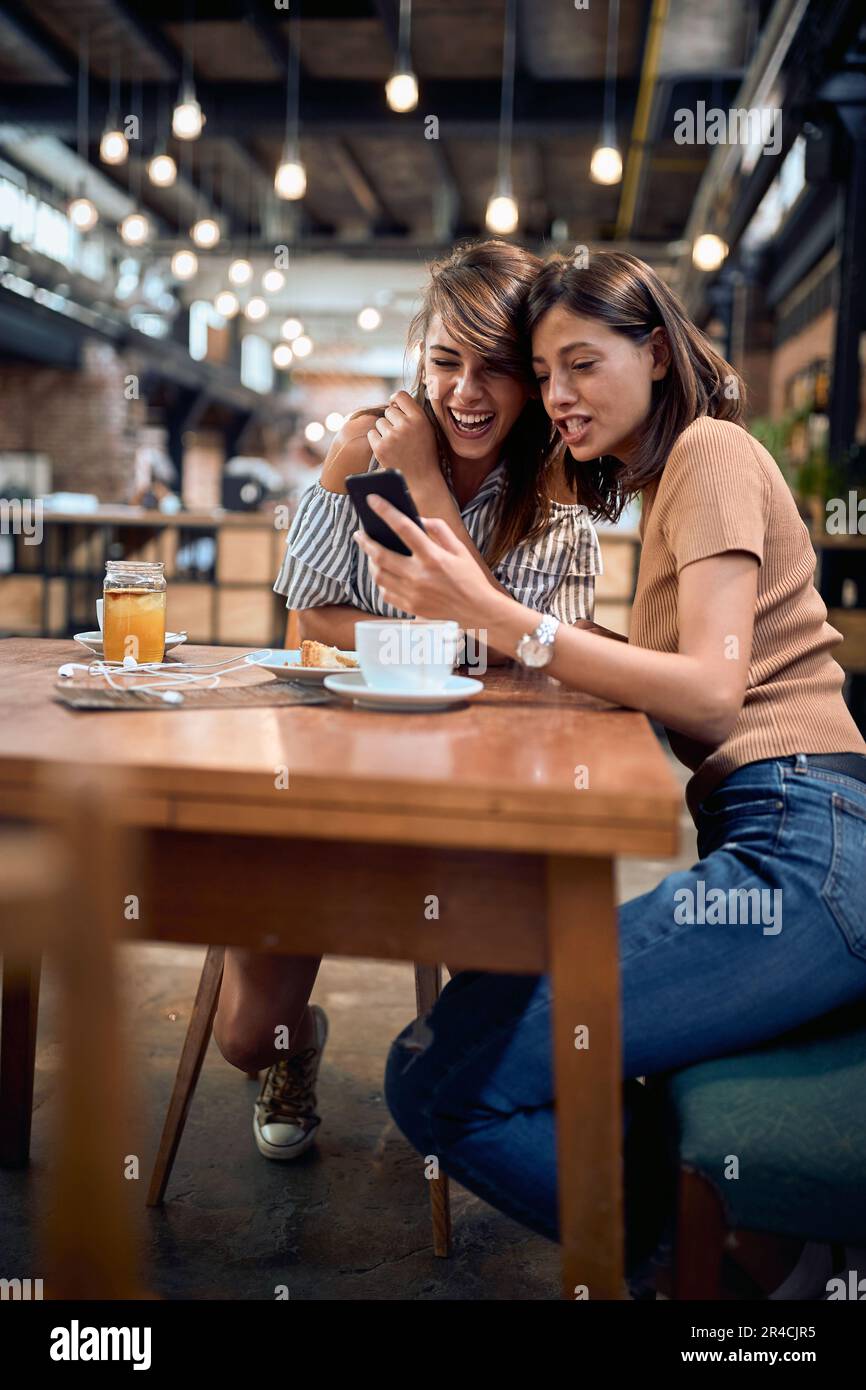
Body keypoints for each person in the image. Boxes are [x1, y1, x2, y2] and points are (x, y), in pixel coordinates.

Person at [353, 250, 866, 1295]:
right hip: (783, 845)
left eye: (580, 363)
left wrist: (503, 619)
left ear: (655, 352)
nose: (555, 396)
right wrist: (517, 627)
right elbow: (670, 676)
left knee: (439, 1083)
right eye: (542, 373)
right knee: (465, 1020)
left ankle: (698, 1273)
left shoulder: (713, 450)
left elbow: (716, 693)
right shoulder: (673, 478)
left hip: (803, 860)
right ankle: (710, 1238)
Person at [213, 240, 603, 1163]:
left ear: (531, 378)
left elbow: (535, 655)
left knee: (500, 1021)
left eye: (497, 367)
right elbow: (309, 612)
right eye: (446, 361)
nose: (468, 391)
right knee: (243, 1040)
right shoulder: (359, 448)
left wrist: (428, 490)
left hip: (485, 781)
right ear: (418, 361)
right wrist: (456, 640)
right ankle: (295, 1044)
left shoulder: (559, 494)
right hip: (328, 767)